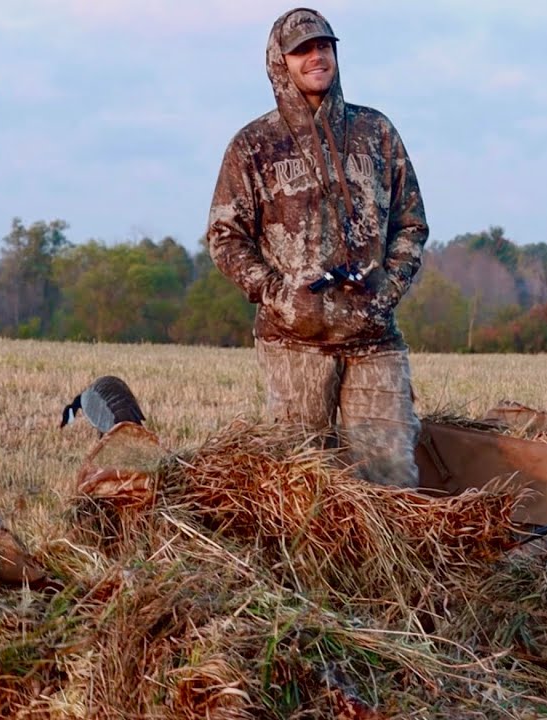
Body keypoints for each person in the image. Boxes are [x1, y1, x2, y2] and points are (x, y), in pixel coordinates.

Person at [206, 7, 429, 488]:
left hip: (373, 340)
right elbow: (225, 236)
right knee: (302, 484)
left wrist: (388, 289)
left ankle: (384, 542)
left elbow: (411, 223)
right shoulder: (254, 145)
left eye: (323, 46)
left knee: (390, 476)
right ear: (279, 61)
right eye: (302, 50)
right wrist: (279, 295)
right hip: (294, 343)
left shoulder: (376, 132)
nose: (316, 57)